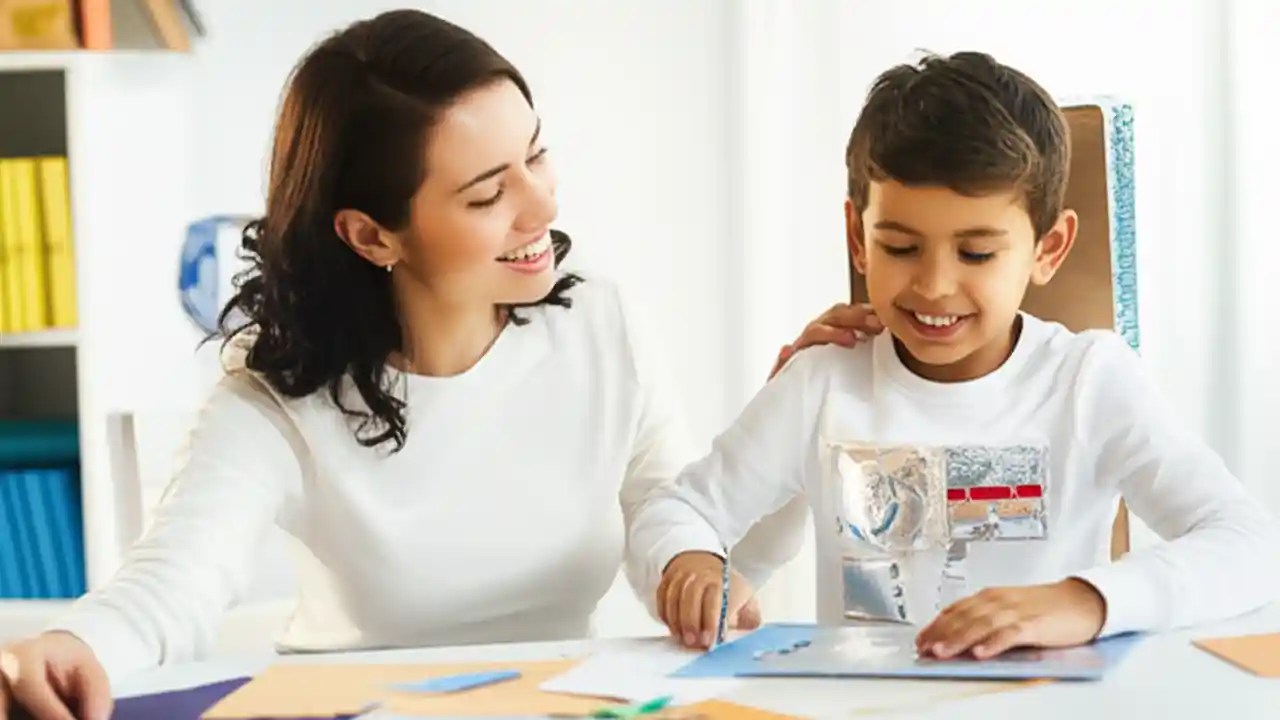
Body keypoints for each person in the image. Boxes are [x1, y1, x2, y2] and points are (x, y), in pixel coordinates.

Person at [0, 10, 883, 720]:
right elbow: (169, 588)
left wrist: (785, 431)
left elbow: (681, 553)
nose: (543, 204)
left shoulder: (599, 323)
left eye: (536, 153)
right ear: (371, 234)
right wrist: (71, 649)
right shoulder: (277, 396)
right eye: (489, 192)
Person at [636, 51, 1280, 656]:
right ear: (858, 240)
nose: (934, 285)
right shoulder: (824, 380)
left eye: (976, 253)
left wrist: (1087, 601)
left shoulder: (1091, 380)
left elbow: (1249, 546)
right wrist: (689, 561)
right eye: (899, 247)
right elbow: (680, 509)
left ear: (1048, 249)